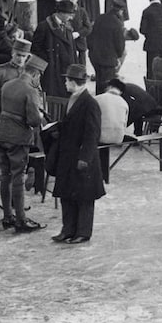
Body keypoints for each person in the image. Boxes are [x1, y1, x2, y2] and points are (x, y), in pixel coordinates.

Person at [50, 64, 106, 244]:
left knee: (84, 197)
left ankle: (83, 232)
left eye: (67, 80)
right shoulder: (73, 99)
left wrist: (84, 158)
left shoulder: (90, 103)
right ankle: (68, 230)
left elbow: (92, 134)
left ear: (74, 82)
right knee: (67, 194)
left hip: (82, 158)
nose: (65, 83)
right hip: (68, 156)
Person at [0, 55, 48, 232]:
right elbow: (33, 120)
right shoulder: (30, 90)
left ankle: (7, 216)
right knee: (18, 177)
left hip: (0, 135)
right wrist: (40, 116)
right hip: (18, 139)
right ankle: (21, 220)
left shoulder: (7, 85)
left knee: (5, 176)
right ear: (36, 74)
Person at [32, 0, 80, 98]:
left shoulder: (67, 26)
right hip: (53, 72)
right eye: (69, 14)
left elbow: (72, 49)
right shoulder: (44, 26)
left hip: (67, 71)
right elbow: (35, 48)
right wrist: (49, 59)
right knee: (54, 100)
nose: (71, 18)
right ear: (61, 13)